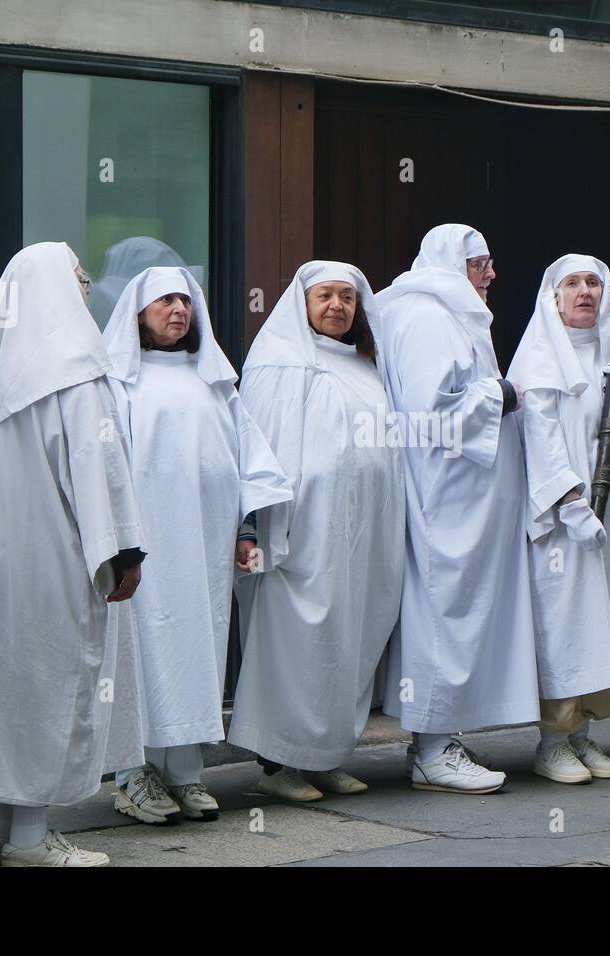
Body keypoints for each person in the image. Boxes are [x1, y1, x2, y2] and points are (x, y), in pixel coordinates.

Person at [0, 242, 146, 867]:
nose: (87, 289)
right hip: (55, 561)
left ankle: (2, 829)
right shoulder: (74, 371)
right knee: (50, 689)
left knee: (8, 691)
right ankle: (30, 844)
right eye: (79, 278)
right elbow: (99, 472)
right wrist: (122, 552)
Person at [102, 267, 291, 822]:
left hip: (205, 542)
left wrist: (244, 529)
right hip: (146, 546)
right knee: (146, 650)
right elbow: (109, 467)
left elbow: (246, 458)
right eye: (164, 300)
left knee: (196, 650)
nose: (178, 310)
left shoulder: (214, 380)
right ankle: (133, 775)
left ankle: (184, 773)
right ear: (137, 312)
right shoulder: (120, 382)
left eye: (185, 301)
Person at [228, 261, 405, 802]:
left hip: (365, 533)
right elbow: (259, 448)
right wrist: (254, 526)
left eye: (347, 299)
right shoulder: (280, 360)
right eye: (325, 296)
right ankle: (280, 763)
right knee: (298, 638)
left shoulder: (368, 364)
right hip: (302, 532)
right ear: (302, 303)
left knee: (348, 638)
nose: (337, 307)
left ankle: (326, 755)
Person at [376, 224, 539, 794]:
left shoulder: (446, 311)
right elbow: (431, 408)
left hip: (461, 493)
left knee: (452, 610)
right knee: (442, 611)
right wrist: (506, 394)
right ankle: (431, 747)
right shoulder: (426, 314)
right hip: (444, 493)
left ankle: (441, 739)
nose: (491, 274)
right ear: (451, 263)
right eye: (481, 263)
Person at [508, 254, 610, 784]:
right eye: (573, 284)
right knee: (569, 624)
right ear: (553, 296)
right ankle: (553, 740)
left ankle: (585, 734)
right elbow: (541, 437)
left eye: (595, 283)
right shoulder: (539, 360)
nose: (585, 292)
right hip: (567, 524)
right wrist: (571, 503)